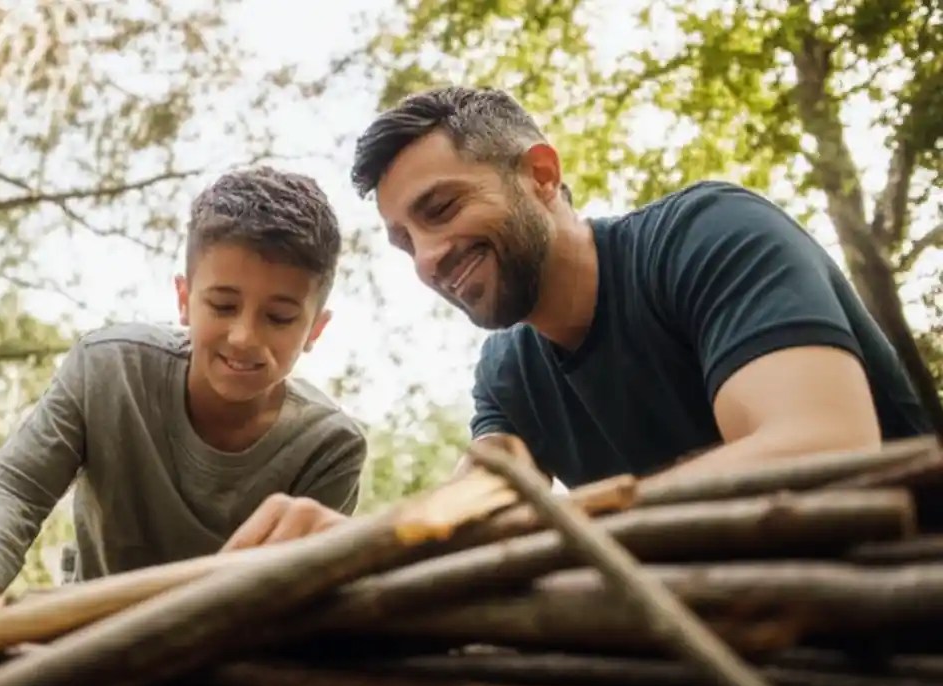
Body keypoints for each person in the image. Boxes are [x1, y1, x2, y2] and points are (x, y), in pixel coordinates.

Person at [0, 166, 367, 664]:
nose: (244, 336)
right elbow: (16, 489)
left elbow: (289, 597)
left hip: (221, 673)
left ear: (314, 330)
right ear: (185, 300)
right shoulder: (107, 367)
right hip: (81, 652)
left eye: (278, 317)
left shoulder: (330, 445)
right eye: (223, 306)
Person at [347, 85, 930, 489]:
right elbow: (474, 508)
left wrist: (591, 522)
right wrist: (359, 544)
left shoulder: (708, 235)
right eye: (405, 243)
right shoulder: (506, 371)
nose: (428, 258)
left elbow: (826, 449)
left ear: (541, 176)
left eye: (443, 209)